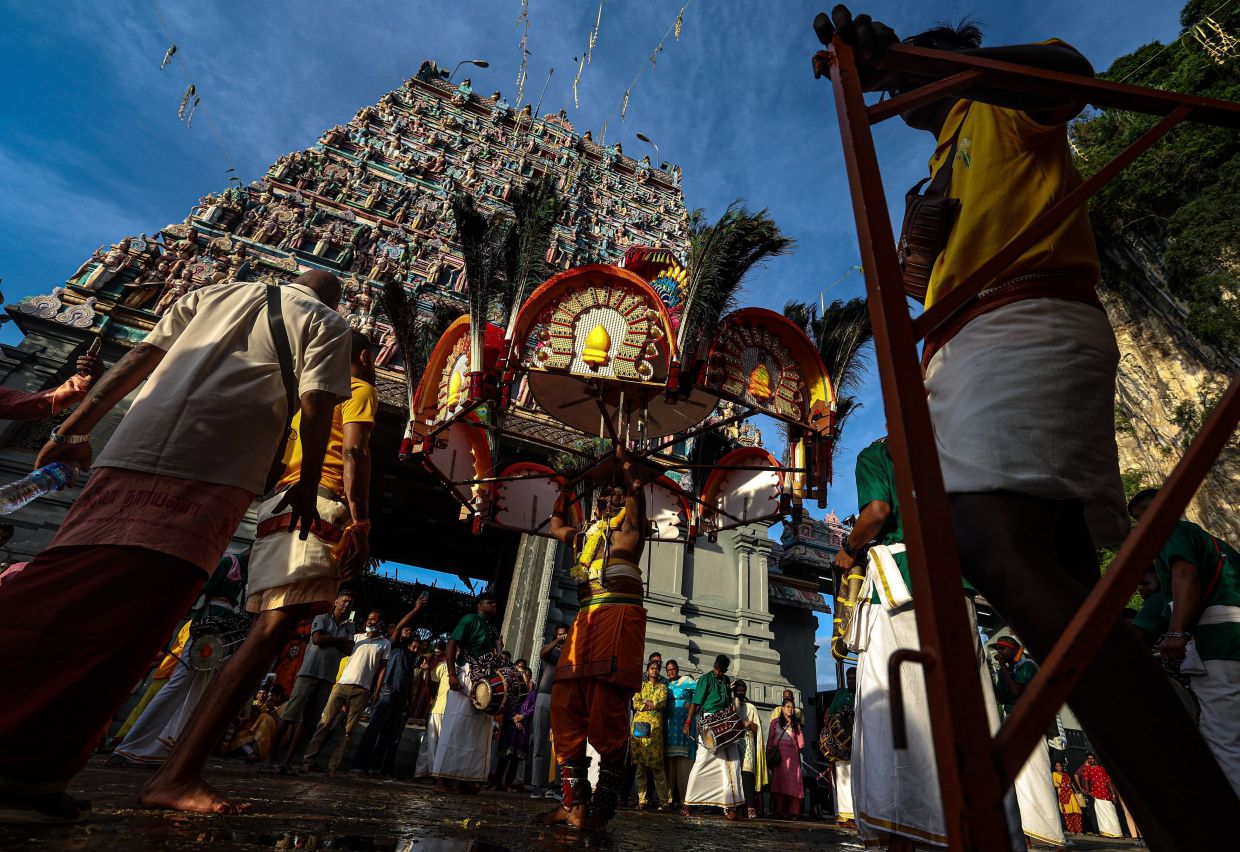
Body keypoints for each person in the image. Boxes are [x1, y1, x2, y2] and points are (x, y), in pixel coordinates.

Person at [813, 9, 1240, 847]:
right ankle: (1181, 823)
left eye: (913, 71)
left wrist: (921, 58)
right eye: (898, 78)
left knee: (985, 538)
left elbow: (1068, 63)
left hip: (1024, 320)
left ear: (957, 57)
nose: (900, 87)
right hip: (975, 341)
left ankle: (1208, 827)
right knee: (1075, 616)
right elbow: (919, 281)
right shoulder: (940, 161)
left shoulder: (1003, 101)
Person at [0, 270, 350, 823]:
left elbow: (135, 362)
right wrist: (304, 485)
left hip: (130, 448)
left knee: (61, 577)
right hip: (218, 466)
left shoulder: (206, 293)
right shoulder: (326, 321)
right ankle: (24, 765)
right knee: (132, 619)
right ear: (334, 298)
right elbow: (317, 404)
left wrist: (73, 427)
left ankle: (37, 772)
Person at [139, 329, 378, 811]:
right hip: (322, 505)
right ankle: (178, 775)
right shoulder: (359, 390)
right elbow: (354, 453)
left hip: (279, 510)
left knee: (266, 632)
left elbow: (271, 459)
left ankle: (178, 768)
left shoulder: (308, 397)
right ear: (368, 357)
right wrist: (361, 521)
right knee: (268, 634)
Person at [834, 436, 1059, 849]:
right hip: (956, 587)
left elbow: (877, 512)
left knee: (897, 705)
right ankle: (979, 826)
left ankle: (906, 829)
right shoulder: (957, 450)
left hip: (902, 588)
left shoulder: (879, 453)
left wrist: (850, 548)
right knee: (968, 708)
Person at [538, 450, 649, 829]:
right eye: (603, 497)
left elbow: (636, 497)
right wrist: (566, 490)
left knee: (607, 712)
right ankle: (574, 805)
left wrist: (628, 471)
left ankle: (602, 806)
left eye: (614, 497)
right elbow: (556, 526)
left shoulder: (630, 533)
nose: (608, 502)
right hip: (585, 621)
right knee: (565, 705)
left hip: (618, 618)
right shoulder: (584, 536)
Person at [1130, 488, 1240, 796]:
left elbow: (1185, 575)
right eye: (1141, 519)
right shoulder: (1218, 546)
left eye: (1151, 513)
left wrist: (1177, 632)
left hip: (1219, 645)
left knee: (1225, 742)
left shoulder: (1173, 531)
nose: (1148, 523)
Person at [113, 552, 248, 766]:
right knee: (178, 683)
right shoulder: (227, 561)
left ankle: (166, 747)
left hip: (222, 630)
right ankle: (132, 745)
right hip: (208, 623)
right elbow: (199, 591)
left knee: (199, 688)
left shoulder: (248, 569)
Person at [262, 591, 356, 774]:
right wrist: (338, 641)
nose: (347, 605)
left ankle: (287, 763)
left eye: (350, 603)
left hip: (328, 678)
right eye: (345, 601)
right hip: (308, 673)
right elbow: (317, 639)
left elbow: (349, 648)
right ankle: (268, 759)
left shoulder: (350, 627)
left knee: (308, 722)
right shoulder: (322, 617)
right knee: (289, 716)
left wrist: (331, 639)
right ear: (336, 601)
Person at [302, 609, 391, 775]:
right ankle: (308, 761)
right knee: (324, 723)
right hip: (342, 684)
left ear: (381, 623)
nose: (370, 622)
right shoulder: (356, 638)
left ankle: (332, 768)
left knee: (347, 731)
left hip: (362, 689)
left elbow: (382, 669)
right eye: (369, 619)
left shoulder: (385, 643)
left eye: (374, 619)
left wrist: (376, 690)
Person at [432, 591, 501, 792]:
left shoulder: (492, 628)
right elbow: (452, 643)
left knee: (477, 730)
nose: (494, 605)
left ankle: (466, 779)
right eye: (490, 602)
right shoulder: (470, 619)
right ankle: (442, 780)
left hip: (485, 681)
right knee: (456, 725)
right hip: (466, 676)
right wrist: (452, 674)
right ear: (479, 605)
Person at [352, 597, 429, 777]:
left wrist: (409, 700)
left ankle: (375, 767)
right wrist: (416, 610)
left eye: (410, 630)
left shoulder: (410, 655)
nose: (407, 631)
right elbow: (402, 625)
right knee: (374, 729)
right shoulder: (391, 645)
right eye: (405, 630)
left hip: (401, 696)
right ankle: (358, 765)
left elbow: (409, 680)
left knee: (388, 734)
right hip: (388, 690)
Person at [683, 654, 744, 819]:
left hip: (725, 722)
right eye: (717, 669)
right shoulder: (705, 679)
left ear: (725, 670)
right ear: (714, 665)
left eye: (721, 670)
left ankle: (731, 806)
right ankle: (688, 803)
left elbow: (729, 701)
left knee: (733, 761)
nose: (718, 672)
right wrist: (688, 723)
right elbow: (696, 702)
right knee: (702, 760)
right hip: (709, 723)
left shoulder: (725, 680)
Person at [528, 625, 568, 799]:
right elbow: (542, 653)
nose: (562, 637)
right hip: (544, 697)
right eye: (559, 634)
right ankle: (536, 786)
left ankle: (557, 786)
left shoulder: (571, 653)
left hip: (562, 699)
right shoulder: (552, 651)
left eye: (564, 634)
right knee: (539, 741)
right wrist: (557, 641)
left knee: (560, 744)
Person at [631, 660, 669, 810]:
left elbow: (661, 704)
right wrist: (650, 703)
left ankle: (664, 801)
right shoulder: (640, 685)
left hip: (656, 730)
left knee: (657, 766)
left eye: (657, 669)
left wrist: (646, 702)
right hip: (640, 726)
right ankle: (641, 799)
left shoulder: (663, 687)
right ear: (647, 670)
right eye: (652, 668)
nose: (654, 670)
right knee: (640, 765)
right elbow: (635, 704)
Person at [663, 660, 697, 809]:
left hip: (684, 724)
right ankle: (669, 798)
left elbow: (700, 691)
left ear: (677, 669)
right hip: (669, 726)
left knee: (684, 763)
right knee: (669, 762)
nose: (671, 672)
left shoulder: (686, 681)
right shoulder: (666, 685)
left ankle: (686, 799)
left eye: (673, 669)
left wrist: (694, 704)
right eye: (668, 670)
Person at [825, 669, 855, 828]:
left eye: (853, 678)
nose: (851, 681)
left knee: (856, 780)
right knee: (842, 780)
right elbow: (830, 714)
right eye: (848, 678)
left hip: (858, 745)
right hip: (840, 745)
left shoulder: (861, 694)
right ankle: (843, 815)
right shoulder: (840, 694)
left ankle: (857, 815)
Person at [731, 680, 765, 820]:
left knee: (747, 774)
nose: (740, 692)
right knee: (733, 774)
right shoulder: (730, 705)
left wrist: (749, 724)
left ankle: (751, 807)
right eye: (737, 690)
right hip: (733, 742)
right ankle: (735, 807)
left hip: (747, 741)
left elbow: (757, 728)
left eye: (742, 690)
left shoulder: (751, 707)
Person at [415, 642, 449, 780]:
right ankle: (426, 773)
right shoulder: (443, 666)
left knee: (436, 743)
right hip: (439, 708)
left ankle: (431, 773)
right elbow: (433, 684)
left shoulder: (463, 667)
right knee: (431, 742)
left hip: (448, 710)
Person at [767, 698, 805, 819]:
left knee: (793, 786)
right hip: (779, 759)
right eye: (788, 706)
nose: (790, 709)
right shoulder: (775, 722)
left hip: (792, 760)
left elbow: (801, 744)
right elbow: (769, 741)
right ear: (782, 708)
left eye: (792, 707)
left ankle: (794, 812)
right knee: (779, 786)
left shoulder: (796, 725)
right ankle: (780, 811)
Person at [1076, 754, 1122, 838]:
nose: (1090, 760)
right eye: (1088, 759)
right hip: (1096, 794)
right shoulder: (1087, 769)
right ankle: (1105, 833)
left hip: (1107, 794)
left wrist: (1114, 795)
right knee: (1101, 815)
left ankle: (1117, 833)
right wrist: (1087, 791)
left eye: (1092, 758)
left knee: (1112, 813)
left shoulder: (1102, 768)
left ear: (1095, 759)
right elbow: (1086, 780)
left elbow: (1108, 781)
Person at [1052, 760, 1083, 834]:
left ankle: (1078, 830)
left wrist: (1076, 790)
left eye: (1060, 766)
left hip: (1071, 793)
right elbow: (1055, 783)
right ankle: (1071, 830)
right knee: (1067, 812)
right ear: (1055, 767)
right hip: (1063, 794)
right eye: (1057, 766)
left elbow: (1071, 784)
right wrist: (1063, 785)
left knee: (1076, 811)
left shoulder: (1066, 774)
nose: (1059, 767)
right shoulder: (1054, 774)